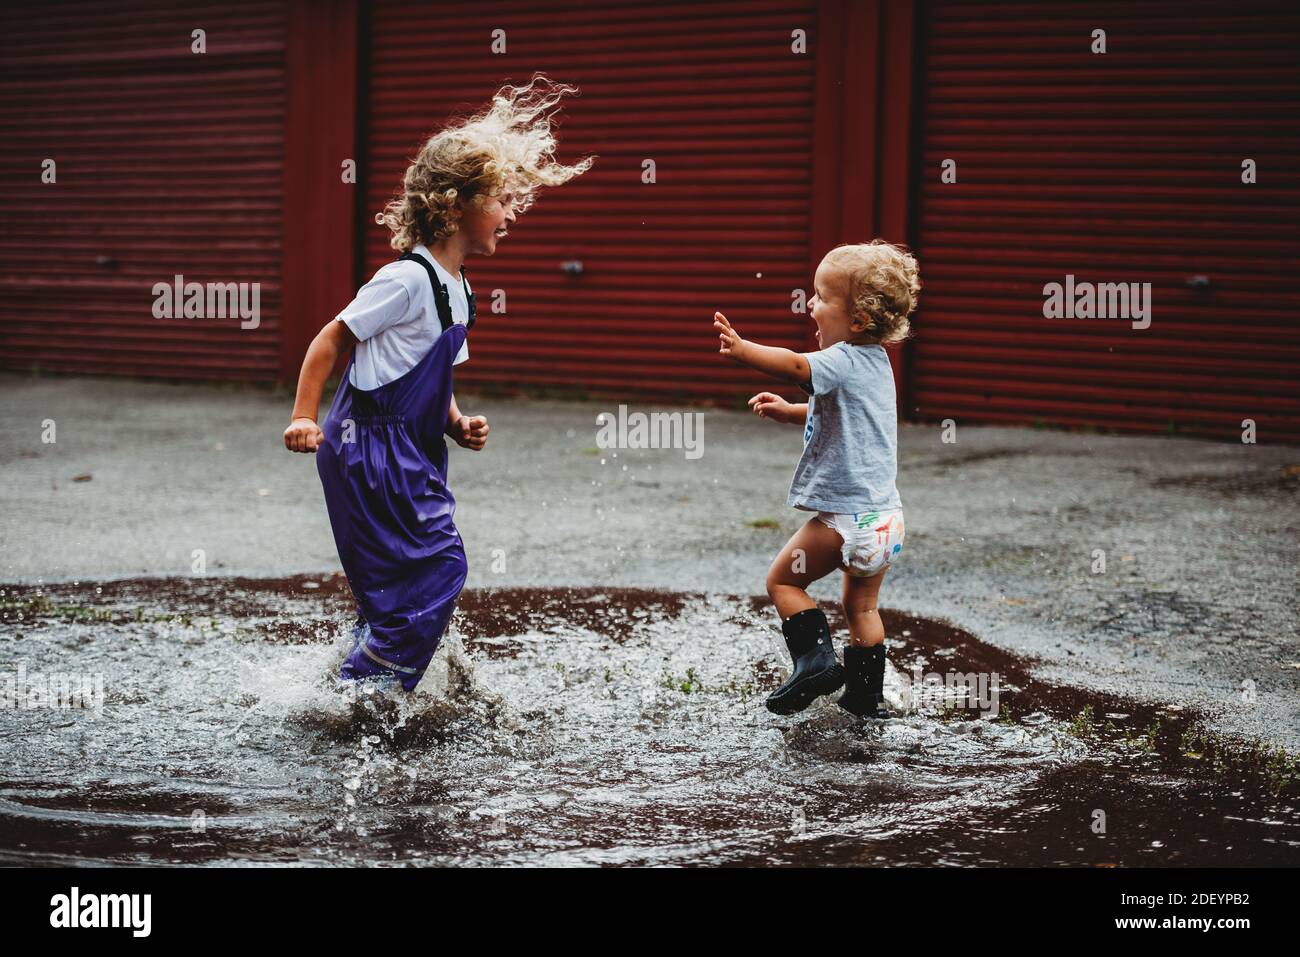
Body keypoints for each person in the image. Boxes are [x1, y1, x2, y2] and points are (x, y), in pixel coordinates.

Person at [283, 75, 593, 691]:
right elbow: (332, 339)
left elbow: (430, 371)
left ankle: (362, 674)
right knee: (440, 565)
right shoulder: (405, 280)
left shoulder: (462, 290)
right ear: (455, 205)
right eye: (501, 200)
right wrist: (303, 415)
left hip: (413, 448)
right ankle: (367, 689)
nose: (511, 214)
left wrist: (455, 420)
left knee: (404, 574)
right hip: (368, 444)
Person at [713, 240, 921, 717]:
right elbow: (845, 415)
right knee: (863, 610)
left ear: (858, 321)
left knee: (782, 581)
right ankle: (866, 700)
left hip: (845, 520)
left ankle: (816, 664)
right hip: (887, 524)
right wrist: (792, 413)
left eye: (822, 297)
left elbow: (795, 363)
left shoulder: (844, 357)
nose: (811, 303)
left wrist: (744, 351)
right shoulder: (877, 365)